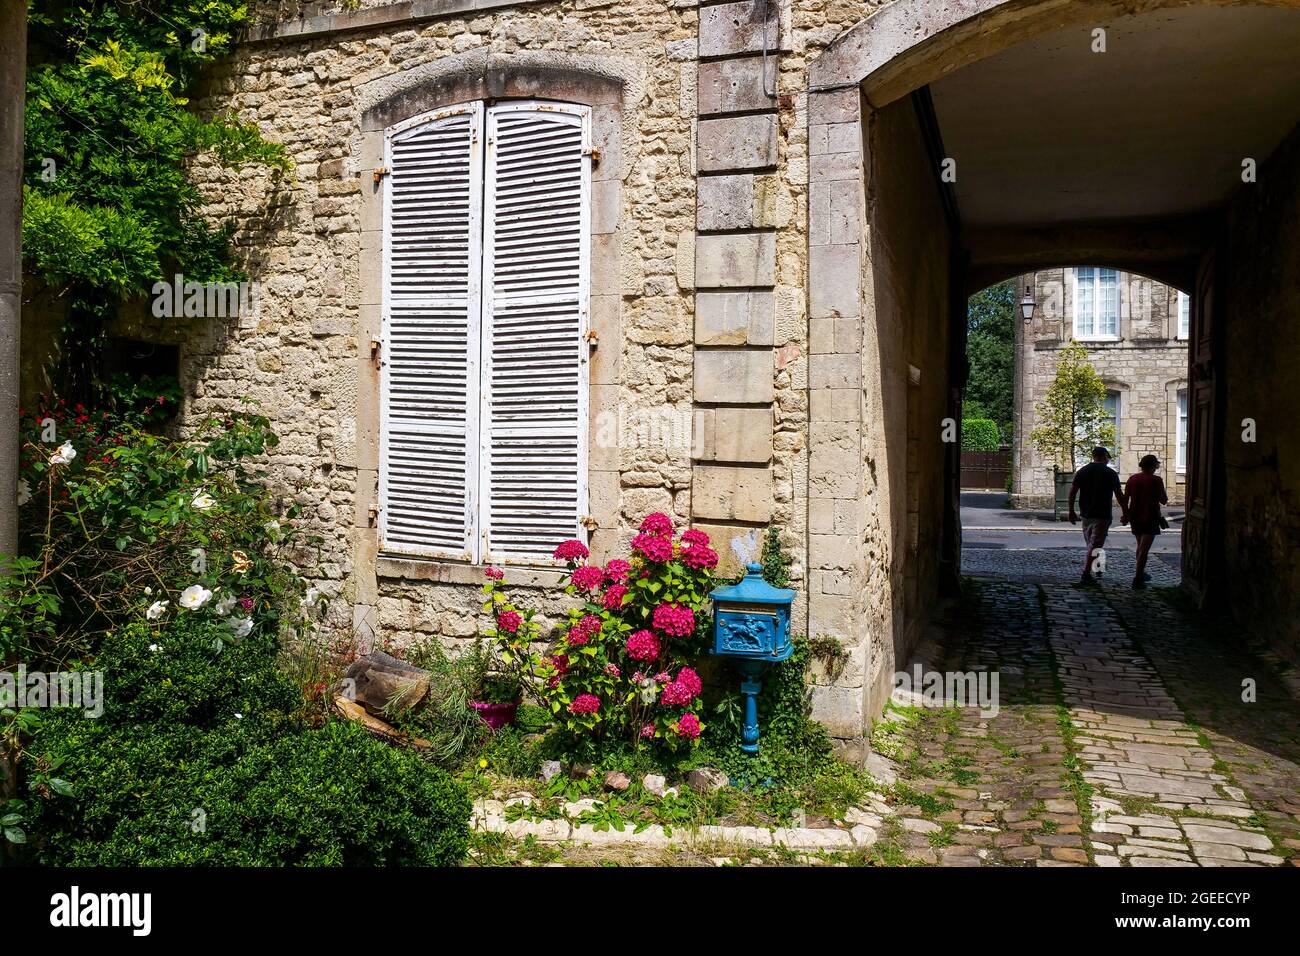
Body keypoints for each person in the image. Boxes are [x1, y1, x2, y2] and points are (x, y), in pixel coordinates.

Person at [1068, 446, 1128, 586]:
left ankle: (1098, 567)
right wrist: (1126, 513)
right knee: (1095, 544)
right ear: (1104, 456)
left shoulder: (1082, 471)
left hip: (1086, 514)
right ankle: (1086, 573)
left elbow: (1072, 492)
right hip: (1102, 514)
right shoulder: (1110, 473)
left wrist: (1071, 511)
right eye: (1108, 457)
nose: (1108, 460)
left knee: (1092, 543)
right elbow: (1119, 495)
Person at [1124, 454, 1169, 589]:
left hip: (1135, 517)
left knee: (1140, 546)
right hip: (1151, 516)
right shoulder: (1156, 480)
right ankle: (1137, 578)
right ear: (1154, 466)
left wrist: (1125, 515)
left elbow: (1125, 499)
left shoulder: (1132, 479)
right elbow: (1164, 500)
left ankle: (1141, 572)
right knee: (1144, 549)